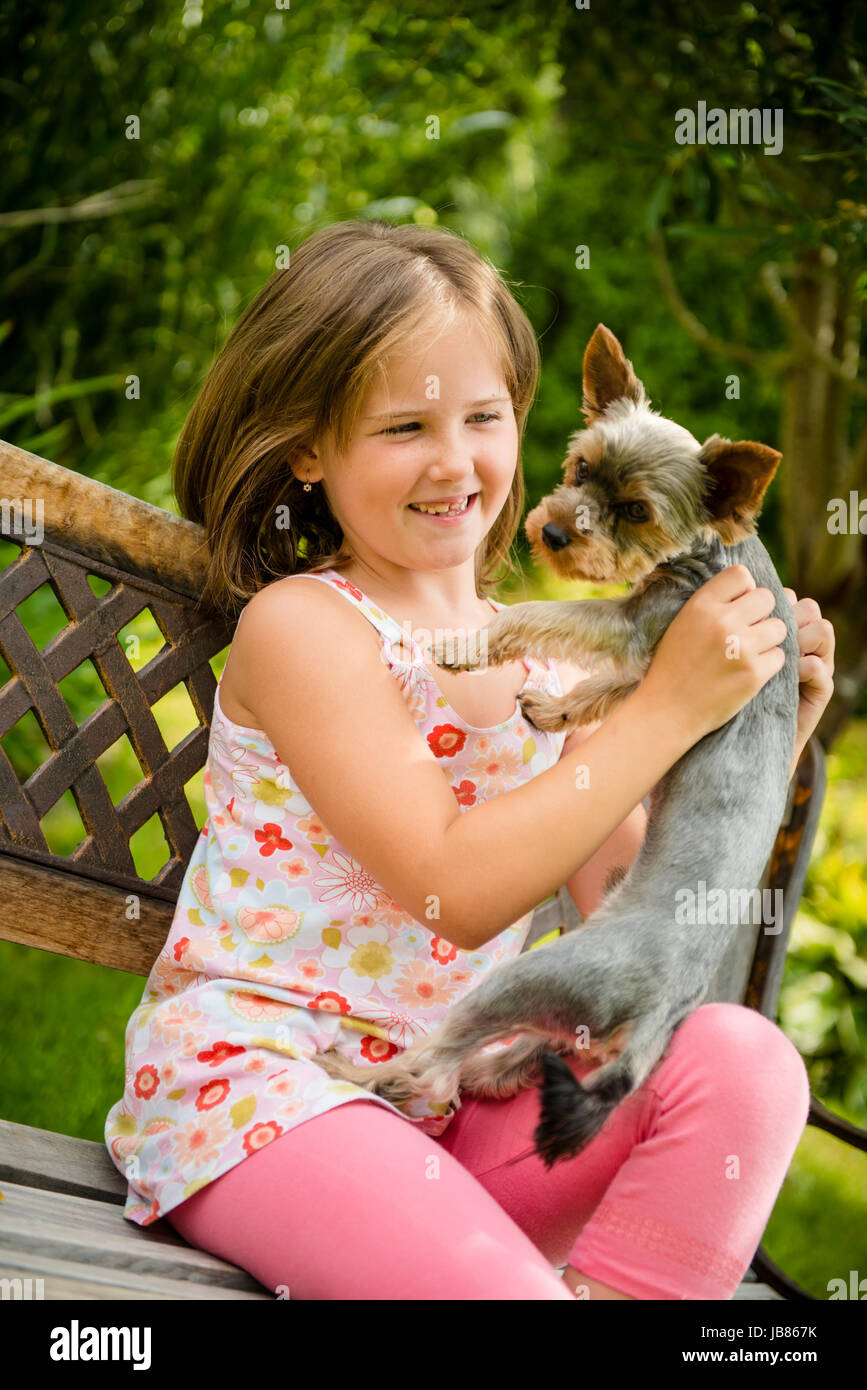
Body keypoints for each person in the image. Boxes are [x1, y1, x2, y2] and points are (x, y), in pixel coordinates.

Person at [104, 218, 835, 1300]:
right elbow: (452, 887)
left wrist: (762, 732)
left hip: (462, 1101)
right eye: (404, 425)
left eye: (484, 417)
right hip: (271, 1093)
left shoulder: (548, 659)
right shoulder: (309, 627)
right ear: (311, 447)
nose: (455, 461)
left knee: (751, 1062)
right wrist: (667, 708)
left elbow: (635, 905)